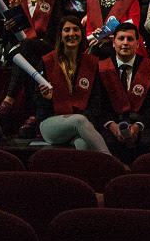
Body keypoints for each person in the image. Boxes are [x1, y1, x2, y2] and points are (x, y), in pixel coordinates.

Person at [30, 18, 110, 152]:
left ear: (82, 35)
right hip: (51, 123)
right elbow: (37, 102)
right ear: (60, 36)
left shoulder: (90, 64)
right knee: (79, 120)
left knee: (83, 144)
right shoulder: (47, 62)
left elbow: (96, 101)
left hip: (82, 124)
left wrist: (88, 119)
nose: (72, 34)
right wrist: (47, 98)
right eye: (67, 30)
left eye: (76, 29)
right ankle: (110, 160)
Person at [94, 23, 150, 163]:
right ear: (113, 43)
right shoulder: (101, 68)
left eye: (130, 39)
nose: (125, 43)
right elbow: (96, 105)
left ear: (137, 44)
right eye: (121, 38)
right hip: (112, 124)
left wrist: (138, 126)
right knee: (107, 143)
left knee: (148, 143)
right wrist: (112, 126)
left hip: (143, 123)